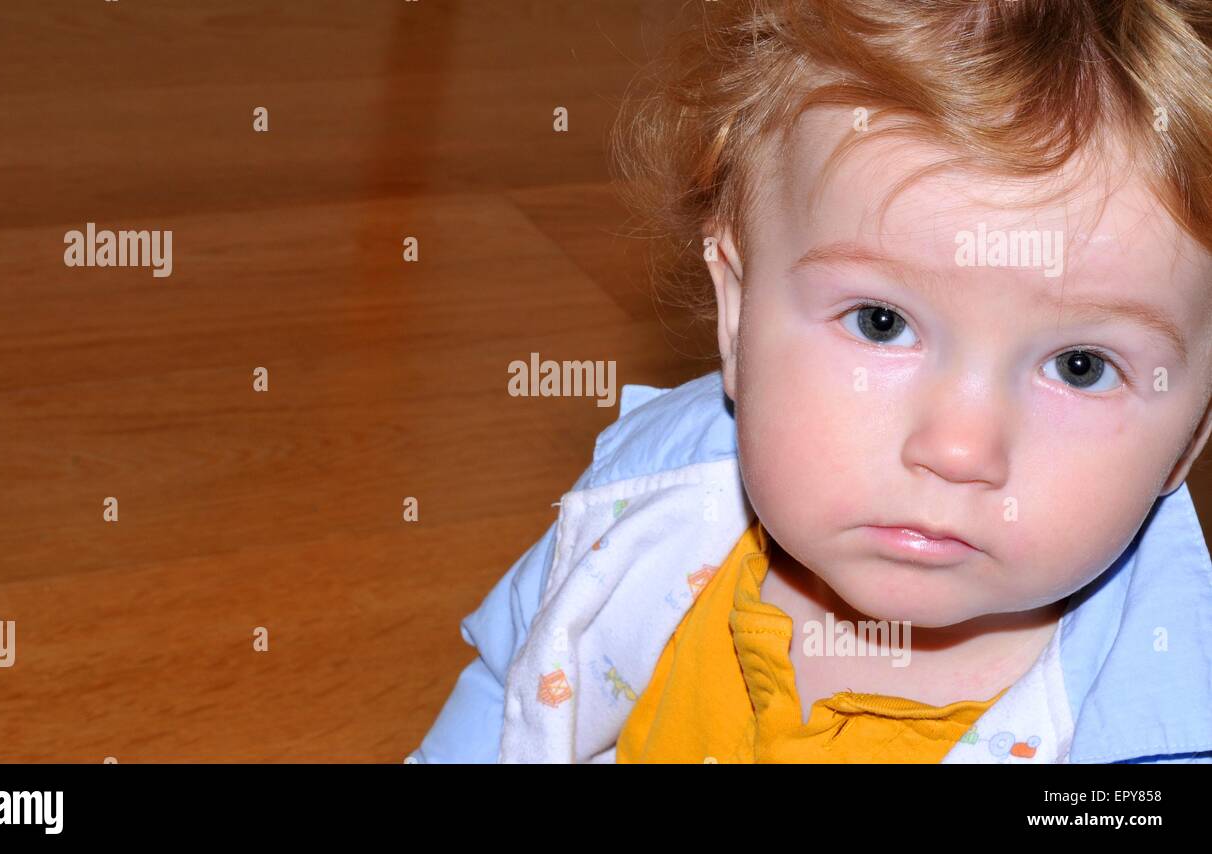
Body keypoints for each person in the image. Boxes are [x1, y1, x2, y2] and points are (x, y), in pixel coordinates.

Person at [412, 0, 1212, 763]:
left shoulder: (1159, 726)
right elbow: (515, 682)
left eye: (1082, 367)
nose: (959, 448)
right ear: (736, 310)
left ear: (1191, 436)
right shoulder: (643, 508)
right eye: (880, 322)